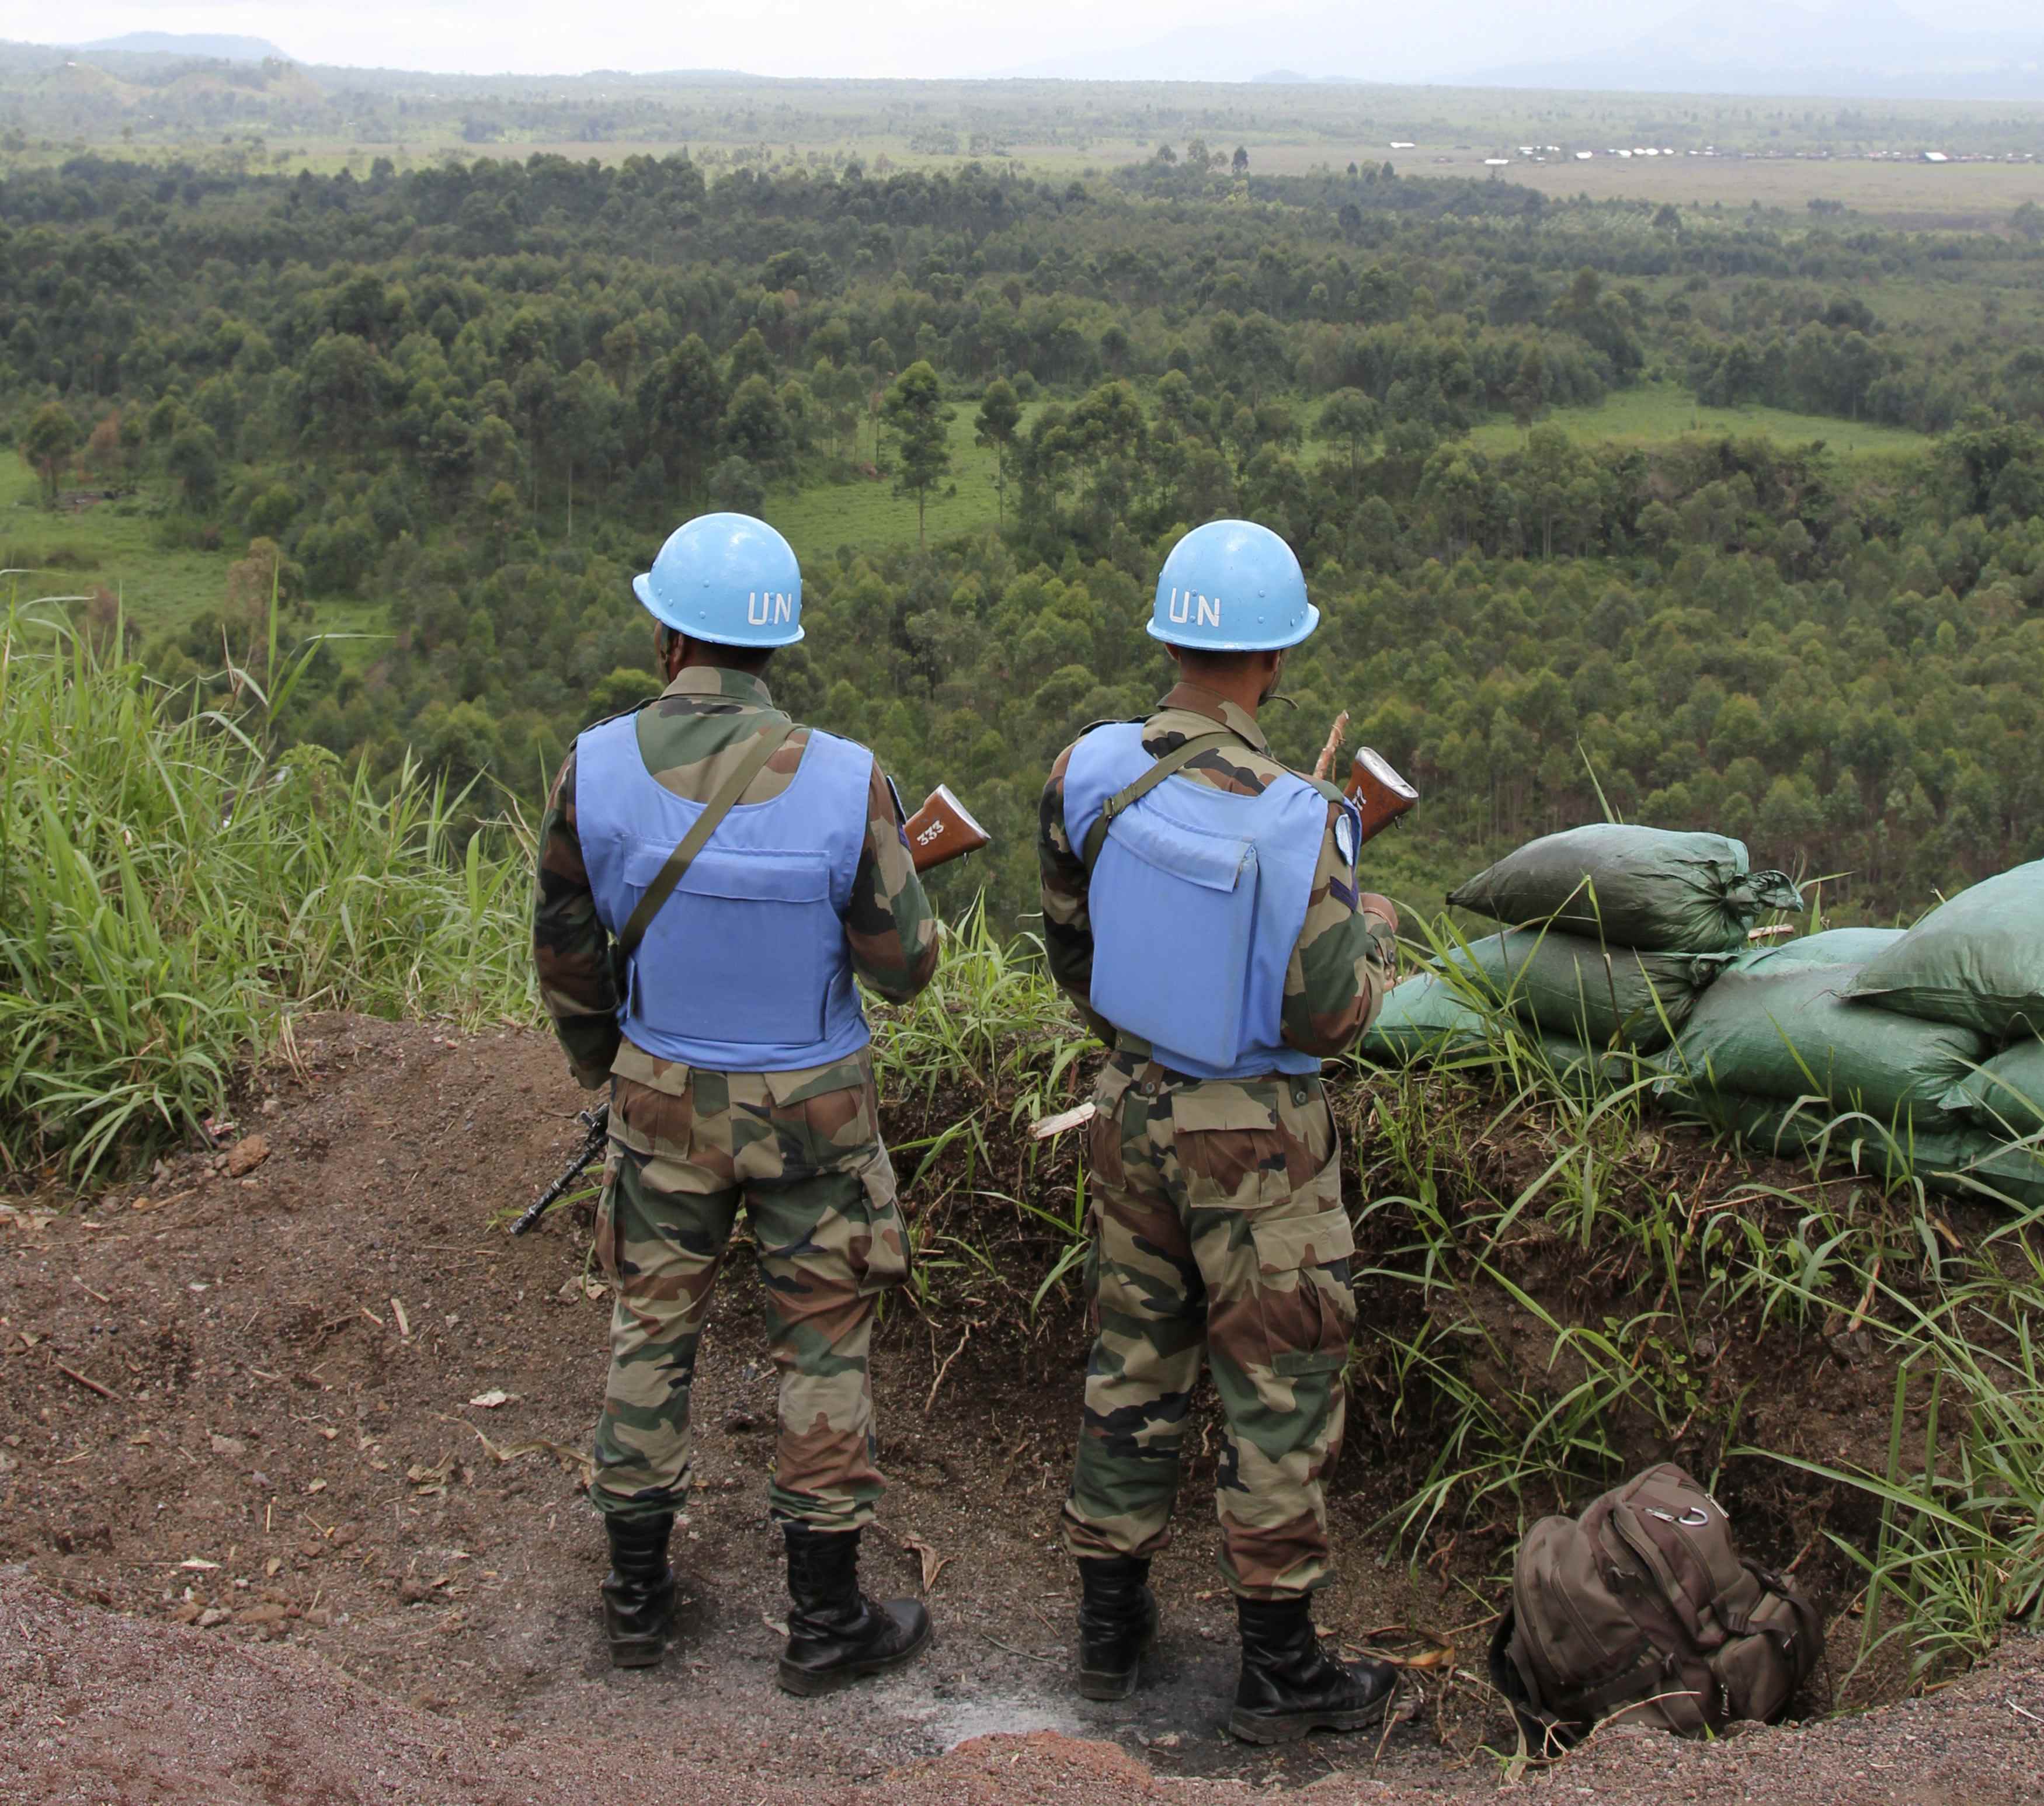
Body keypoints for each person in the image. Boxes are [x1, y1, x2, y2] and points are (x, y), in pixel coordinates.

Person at [533, 511, 939, 1694]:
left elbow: (564, 957)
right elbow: (904, 968)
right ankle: (824, 1621)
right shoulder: (848, 777)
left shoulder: (592, 765)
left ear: (669, 634)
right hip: (812, 1113)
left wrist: (613, 1068)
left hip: (659, 1097)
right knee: (823, 1346)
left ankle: (634, 1602)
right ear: (777, 643)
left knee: (649, 1329)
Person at [1037, 519, 1403, 1744]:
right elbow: (1330, 1011)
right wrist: (1379, 932)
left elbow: (1072, 945)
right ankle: (1281, 1665)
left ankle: (1106, 1626)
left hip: (1131, 1107)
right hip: (1261, 1143)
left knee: (1132, 1362)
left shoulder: (1086, 769)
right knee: (1277, 1385)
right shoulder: (1308, 818)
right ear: (1275, 664)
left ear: (1170, 640)